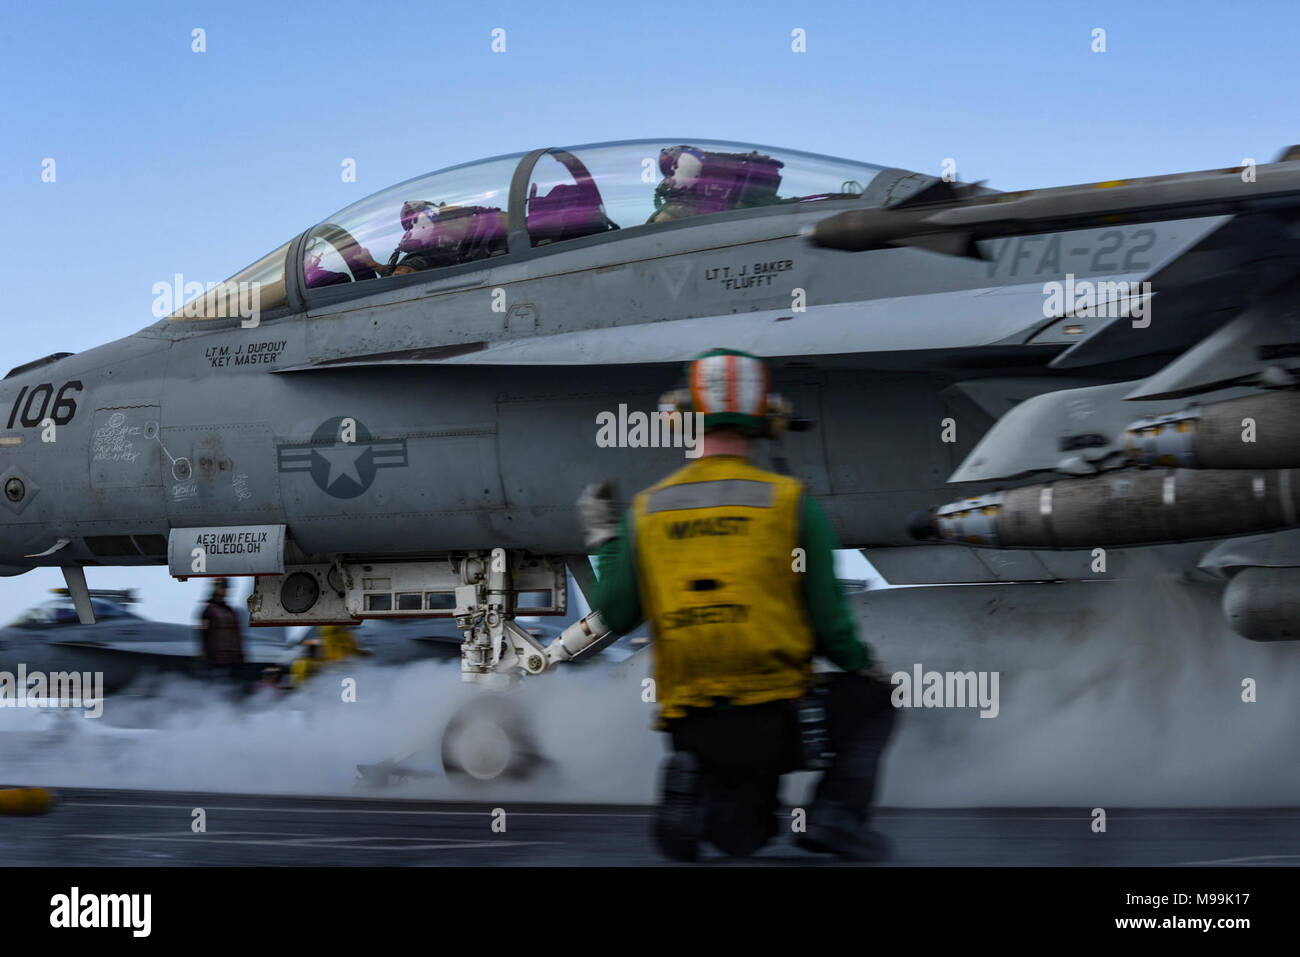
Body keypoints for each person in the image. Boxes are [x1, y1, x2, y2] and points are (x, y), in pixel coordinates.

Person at [577, 348, 897, 861]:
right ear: (766, 419)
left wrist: (604, 537)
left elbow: (616, 615)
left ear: (681, 418)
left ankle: (691, 781)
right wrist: (866, 668)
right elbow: (830, 626)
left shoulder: (648, 508)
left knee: (740, 838)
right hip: (776, 717)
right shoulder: (789, 501)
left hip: (690, 723)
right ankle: (836, 817)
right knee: (874, 701)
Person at [195, 577, 246, 686]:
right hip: (215, 660)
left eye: (225, 588)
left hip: (232, 661)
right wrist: (205, 656)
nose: (224, 590)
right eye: (221, 587)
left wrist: (240, 655)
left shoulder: (231, 611)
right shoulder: (207, 611)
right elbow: (202, 634)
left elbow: (237, 635)